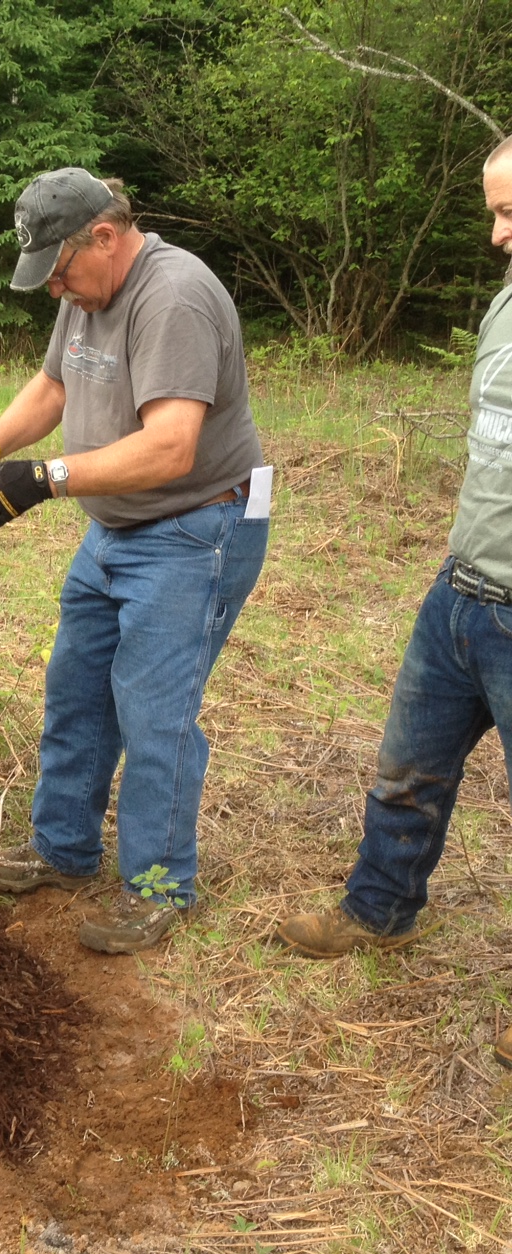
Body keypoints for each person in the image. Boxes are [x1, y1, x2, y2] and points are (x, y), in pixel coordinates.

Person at [0, 168, 270, 954]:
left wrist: (45, 478)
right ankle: (62, 850)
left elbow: (171, 447)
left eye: (61, 272)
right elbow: (54, 385)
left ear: (105, 235)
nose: (57, 290)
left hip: (194, 528)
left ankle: (158, 886)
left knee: (154, 711)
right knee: (77, 689)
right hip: (116, 528)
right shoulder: (86, 293)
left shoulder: (173, 297)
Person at [278, 139, 512, 1071]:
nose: (497, 236)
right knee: (406, 770)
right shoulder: (505, 304)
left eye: (511, 213)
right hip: (462, 593)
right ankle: (380, 910)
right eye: (493, 213)